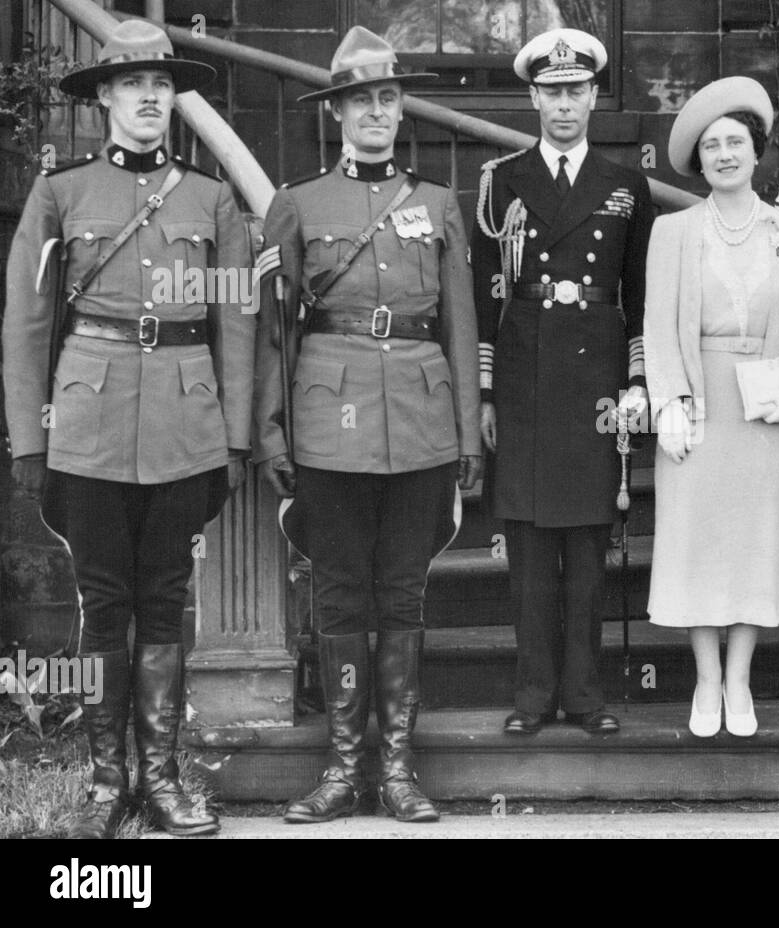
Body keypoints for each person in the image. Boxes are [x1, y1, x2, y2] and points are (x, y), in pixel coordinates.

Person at [3, 20, 252, 838]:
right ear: (105, 96)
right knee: (103, 604)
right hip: (89, 420)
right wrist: (30, 440)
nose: (149, 96)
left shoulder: (210, 198)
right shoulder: (60, 193)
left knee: (166, 597)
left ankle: (165, 777)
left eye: (160, 84)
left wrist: (236, 434)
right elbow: (27, 324)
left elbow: (235, 323)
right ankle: (107, 781)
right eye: (132, 83)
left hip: (185, 422)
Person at [253, 26, 481, 824]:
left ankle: (398, 770)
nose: (377, 112)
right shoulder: (298, 205)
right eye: (362, 101)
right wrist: (273, 432)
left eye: (388, 98)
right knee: (343, 596)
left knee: (405, 595)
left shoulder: (438, 204)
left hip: (419, 420)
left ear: (399, 108)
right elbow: (274, 333)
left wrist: (466, 435)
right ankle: (344, 767)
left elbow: (459, 323)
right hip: (328, 421)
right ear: (338, 113)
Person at [472, 28, 653, 736]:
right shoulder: (500, 182)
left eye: (577, 91)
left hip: (597, 385)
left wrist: (638, 382)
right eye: (552, 92)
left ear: (592, 97)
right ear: (533, 98)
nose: (565, 104)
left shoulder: (625, 185)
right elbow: (488, 292)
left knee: (586, 552)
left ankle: (584, 696)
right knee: (528, 555)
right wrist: (485, 389)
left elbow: (637, 294)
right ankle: (531, 697)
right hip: (522, 377)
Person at [643, 77, 779, 738]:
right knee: (697, 538)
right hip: (700, 400)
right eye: (712, 145)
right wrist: (668, 405)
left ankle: (741, 679)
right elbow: (659, 326)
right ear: (699, 160)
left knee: (752, 541)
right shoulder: (674, 232)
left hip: (761, 403)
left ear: (756, 152)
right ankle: (706, 679)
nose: (724, 154)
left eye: (736, 142)